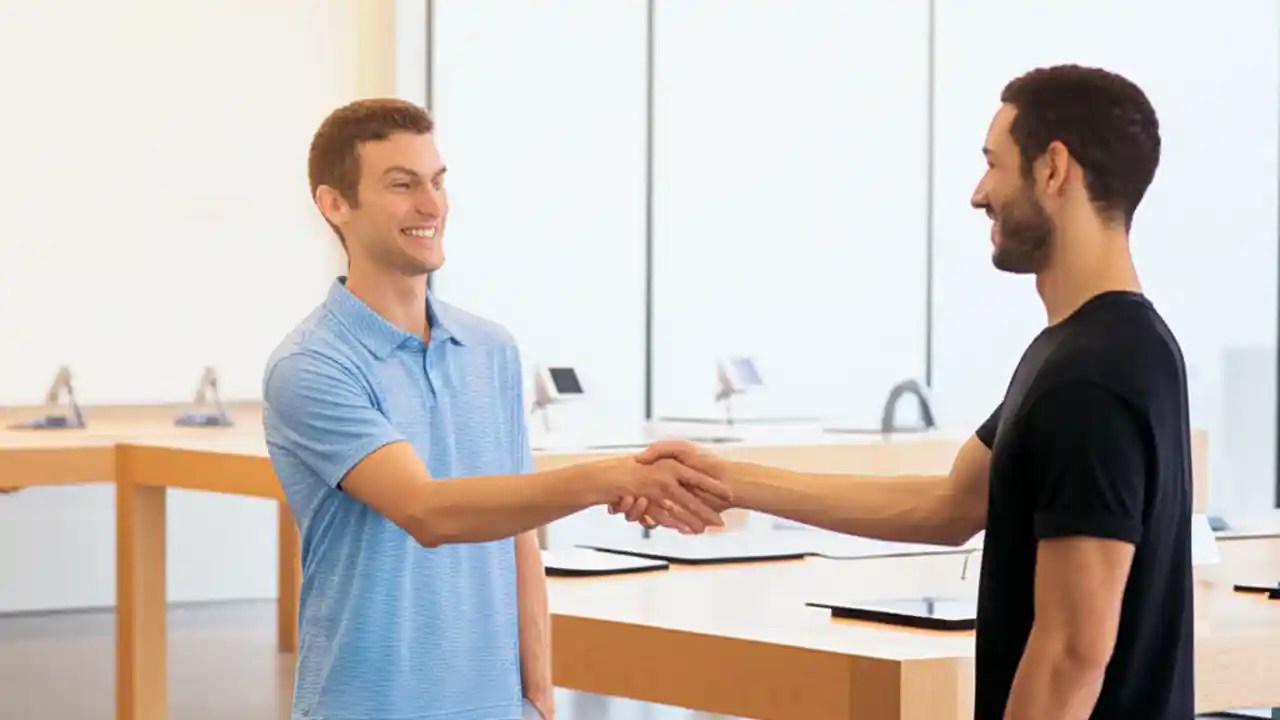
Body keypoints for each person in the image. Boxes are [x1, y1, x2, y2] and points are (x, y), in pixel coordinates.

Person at [625, 64, 1193, 719]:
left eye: (993, 164)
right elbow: (948, 504)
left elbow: (1073, 653)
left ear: (1053, 169)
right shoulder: (1103, 349)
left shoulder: (1091, 377)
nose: (979, 194)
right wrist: (725, 481)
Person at [262, 98, 730, 720]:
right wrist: (605, 479)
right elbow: (427, 510)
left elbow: (519, 538)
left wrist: (539, 697)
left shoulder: (490, 349)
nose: (431, 205)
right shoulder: (312, 365)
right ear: (334, 204)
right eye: (402, 185)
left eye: (437, 181)